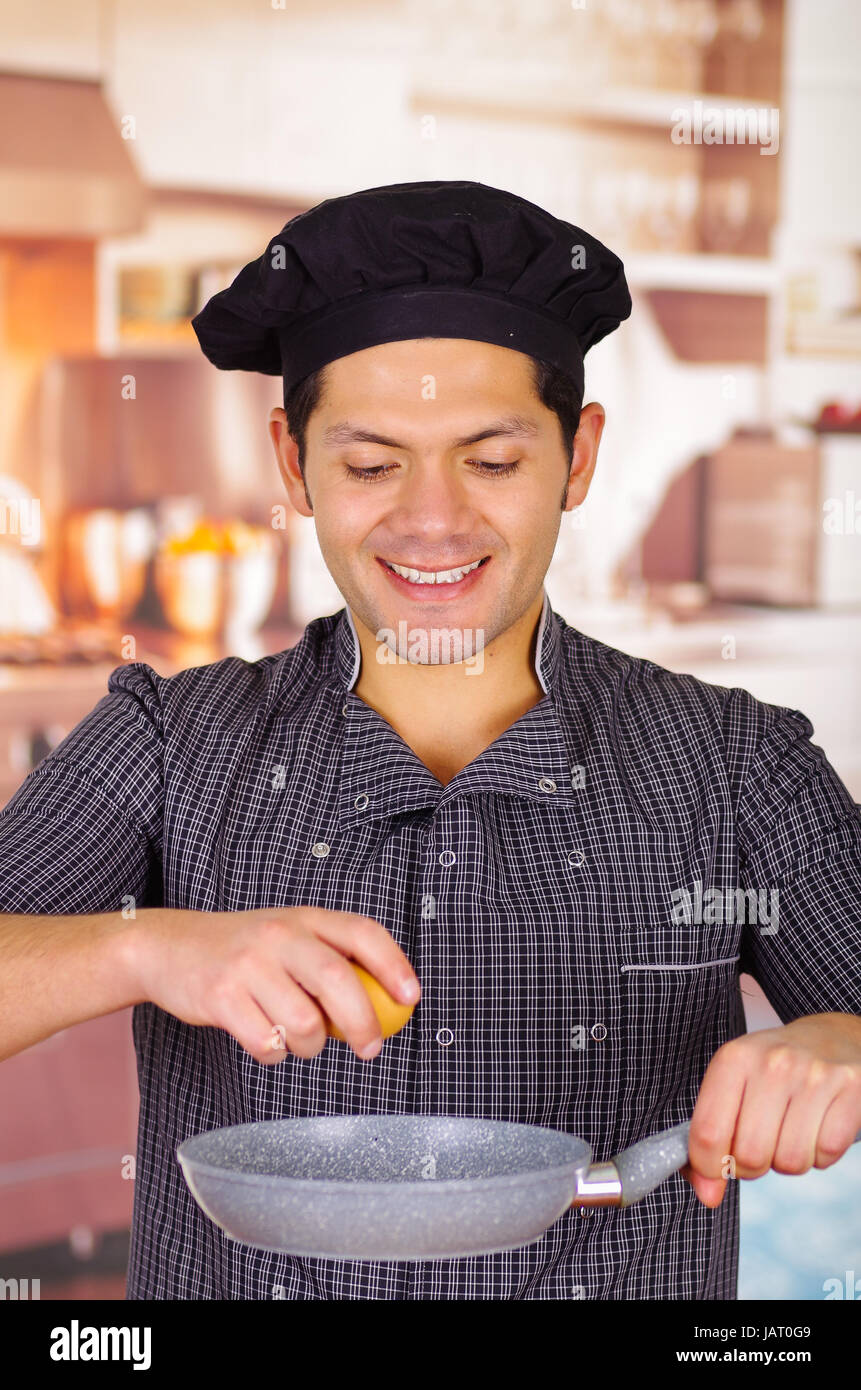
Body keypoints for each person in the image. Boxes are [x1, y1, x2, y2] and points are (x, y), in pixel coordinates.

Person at [0, 181, 859, 1301]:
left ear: (579, 455)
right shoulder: (171, 739)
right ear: (294, 464)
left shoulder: (738, 764)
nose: (434, 520)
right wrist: (141, 948)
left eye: (492, 461)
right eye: (370, 464)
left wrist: (842, 1045)